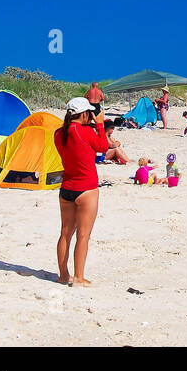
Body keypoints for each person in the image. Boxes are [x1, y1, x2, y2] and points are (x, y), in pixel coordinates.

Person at [53, 96, 110, 287]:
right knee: (83, 236)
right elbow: (103, 147)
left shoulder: (58, 133)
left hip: (66, 188)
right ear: (84, 114)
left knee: (65, 234)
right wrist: (100, 124)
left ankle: (63, 275)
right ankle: (78, 277)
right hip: (86, 188)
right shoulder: (84, 132)